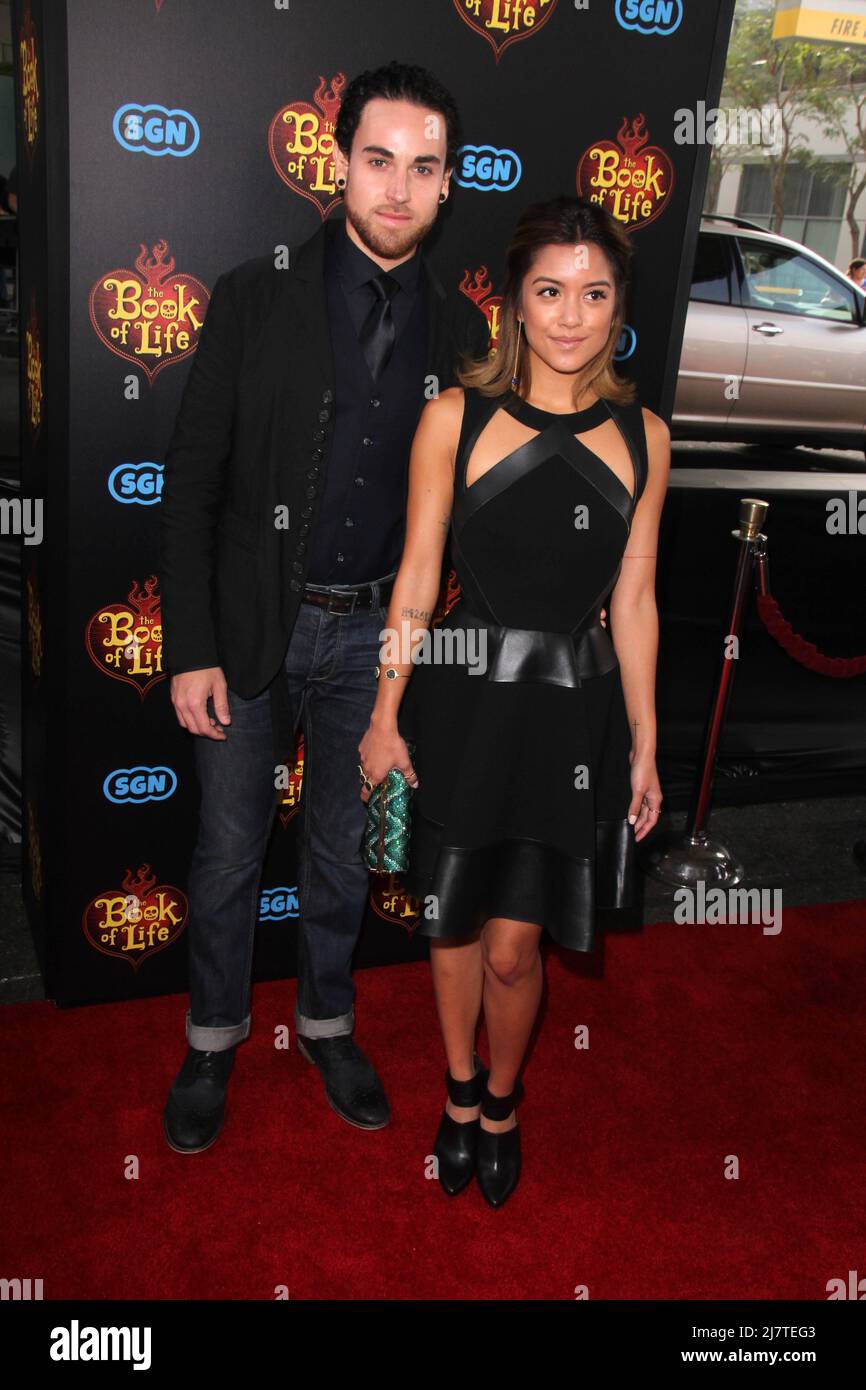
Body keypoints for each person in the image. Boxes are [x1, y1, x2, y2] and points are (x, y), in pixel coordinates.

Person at [158, 62, 489, 1154]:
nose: (397, 189)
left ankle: (327, 1023)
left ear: (447, 186)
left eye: (423, 168)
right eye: (378, 160)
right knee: (226, 849)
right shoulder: (255, 293)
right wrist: (190, 646)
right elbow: (193, 479)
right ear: (339, 164)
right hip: (253, 622)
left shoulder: (456, 332)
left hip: (372, 636)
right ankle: (213, 1040)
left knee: (343, 849)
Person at [358, 194, 669, 1207]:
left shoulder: (645, 436)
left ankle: (501, 1096)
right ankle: (455, 1093)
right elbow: (413, 579)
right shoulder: (454, 417)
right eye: (549, 291)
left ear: (617, 304)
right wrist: (381, 713)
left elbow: (632, 598)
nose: (570, 316)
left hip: (569, 720)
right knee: (450, 923)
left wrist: (646, 737)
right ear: (512, 305)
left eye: (592, 293)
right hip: (462, 703)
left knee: (513, 943)